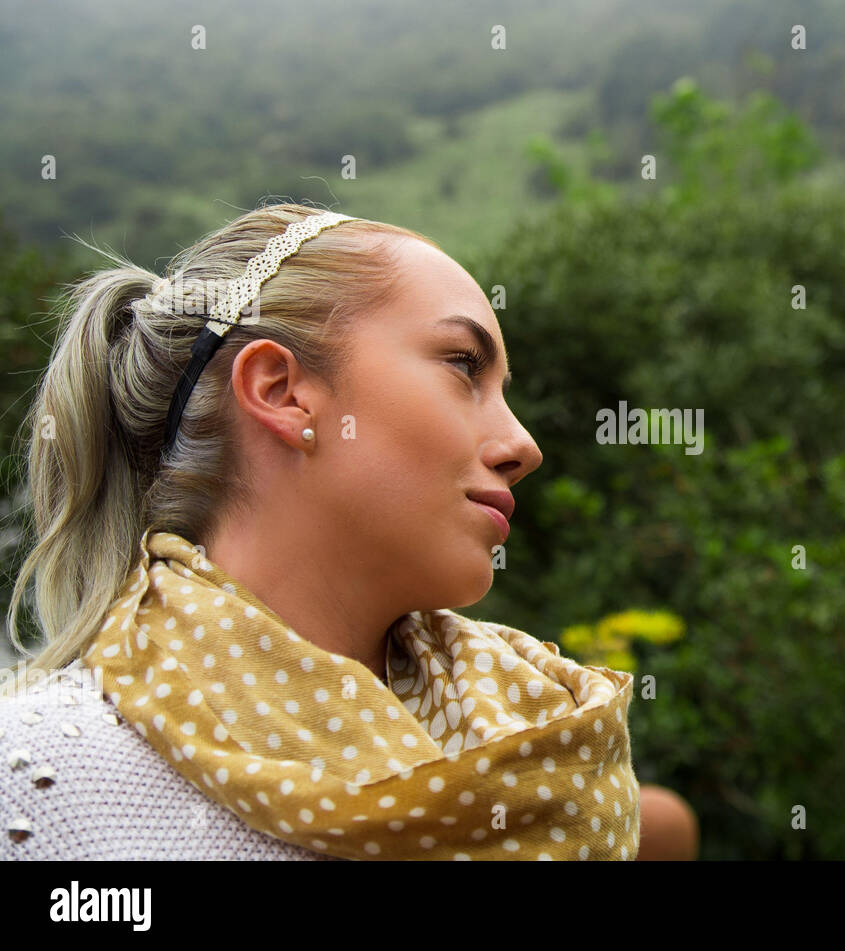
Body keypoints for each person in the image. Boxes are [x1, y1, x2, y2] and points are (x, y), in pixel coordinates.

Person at [0, 202, 697, 861]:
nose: (524, 444)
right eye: (463, 365)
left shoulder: (556, 748)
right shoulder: (39, 783)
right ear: (281, 390)